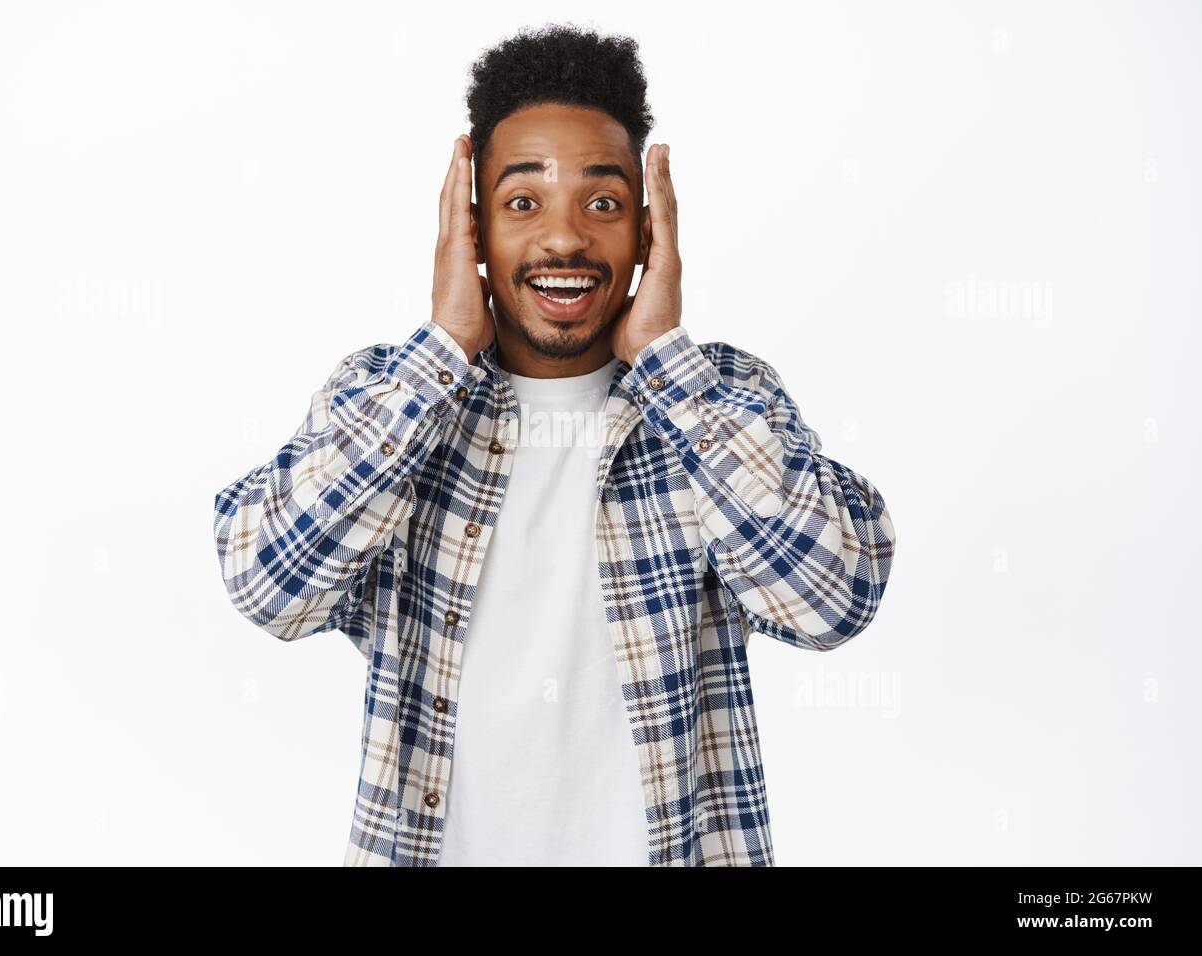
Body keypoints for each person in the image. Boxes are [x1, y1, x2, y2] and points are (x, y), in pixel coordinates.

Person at [213, 24, 896, 866]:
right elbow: (264, 584)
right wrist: (441, 351)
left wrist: (667, 366)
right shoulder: (388, 396)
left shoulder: (720, 400)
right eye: (523, 202)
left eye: (603, 203)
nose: (566, 239)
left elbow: (836, 600)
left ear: (649, 231)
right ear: (471, 229)